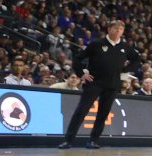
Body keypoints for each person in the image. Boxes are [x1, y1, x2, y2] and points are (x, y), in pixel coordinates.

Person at [60, 20, 141, 149]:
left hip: (112, 85)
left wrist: (125, 70)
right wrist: (82, 73)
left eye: (121, 29)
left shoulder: (125, 47)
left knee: (103, 113)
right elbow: (78, 58)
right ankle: (68, 140)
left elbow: (137, 60)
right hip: (94, 83)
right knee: (81, 111)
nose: (118, 31)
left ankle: (93, 141)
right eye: (115, 28)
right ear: (109, 29)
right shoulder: (96, 44)